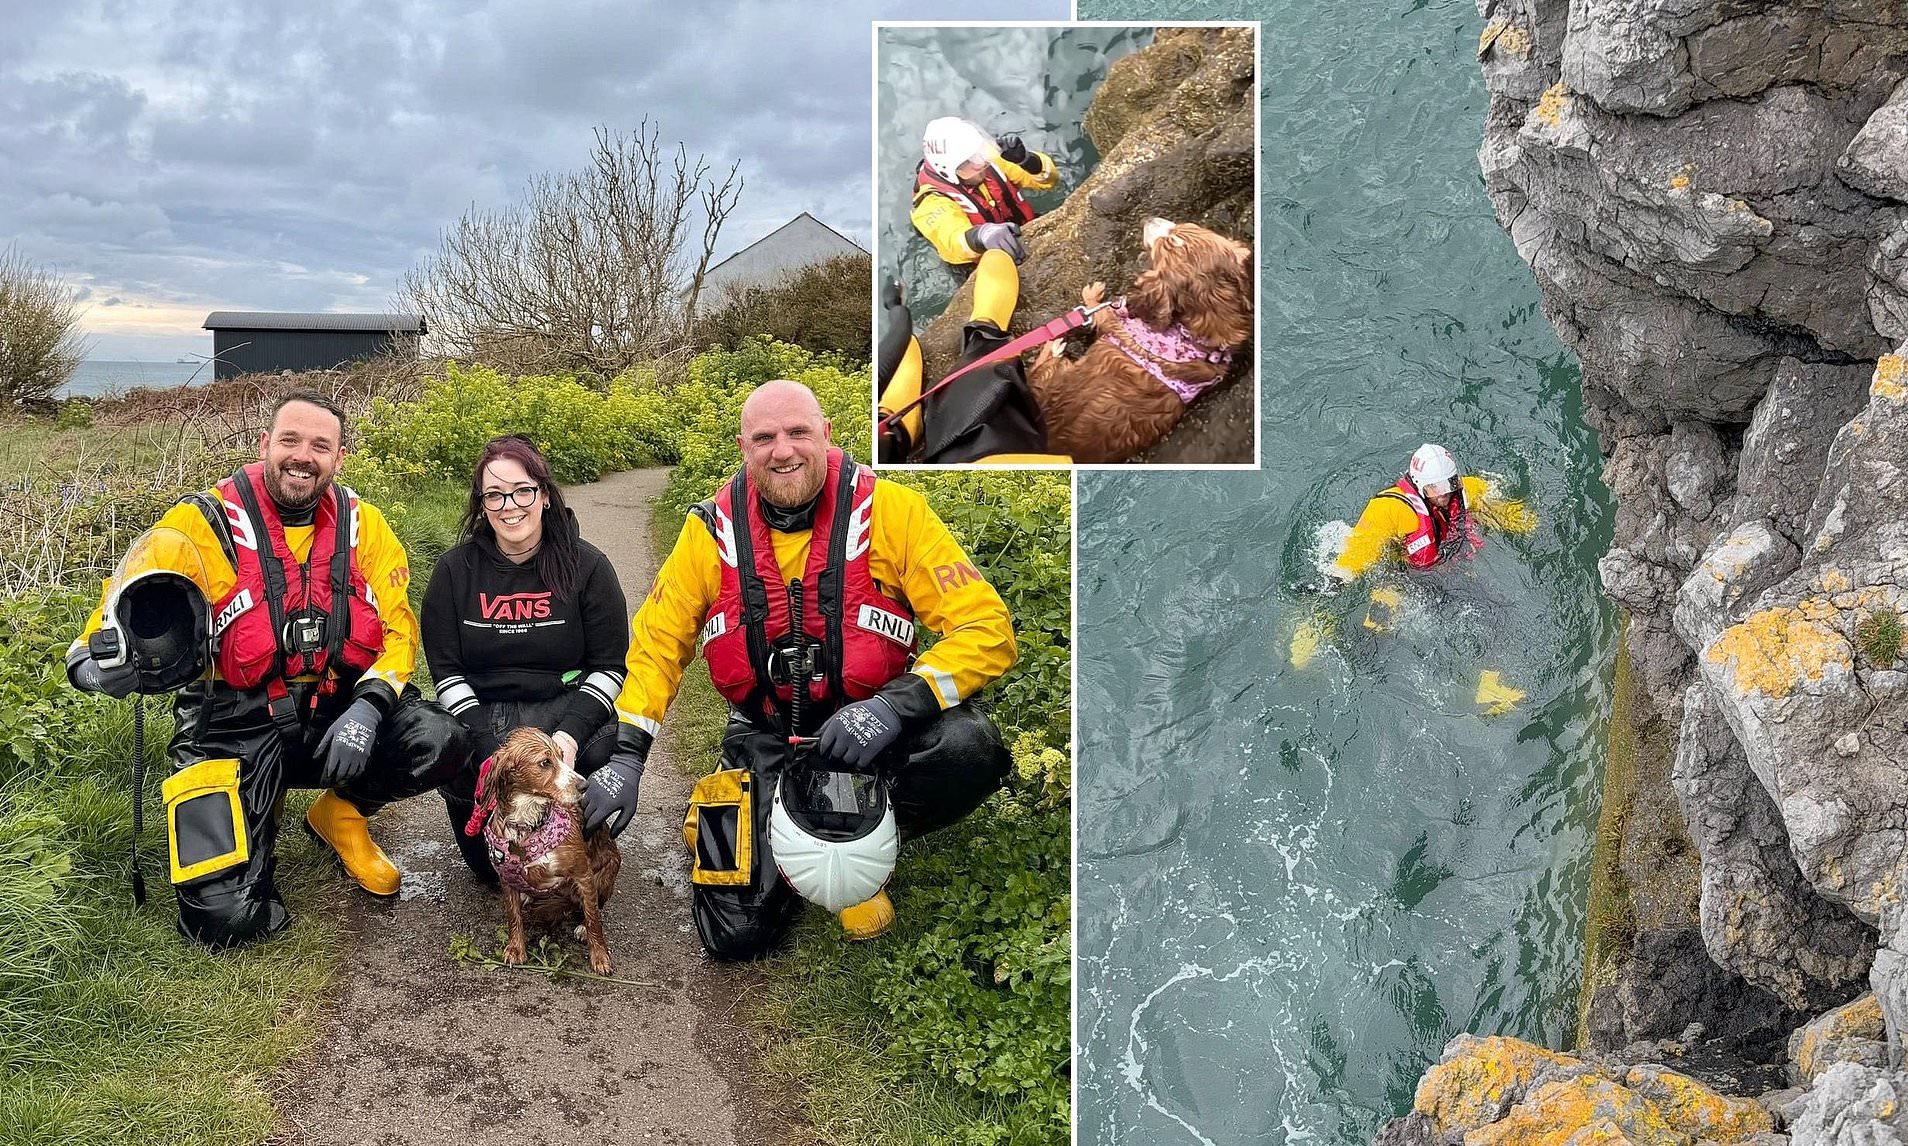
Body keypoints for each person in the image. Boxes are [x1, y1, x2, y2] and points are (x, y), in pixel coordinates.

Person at [583, 378, 1017, 959]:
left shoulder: (895, 512)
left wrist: (893, 706)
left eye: (797, 433)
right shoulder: (709, 531)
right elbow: (657, 645)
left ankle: (869, 837)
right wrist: (627, 757)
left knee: (971, 746)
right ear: (744, 448)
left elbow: (987, 629)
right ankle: (779, 836)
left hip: (869, 732)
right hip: (762, 734)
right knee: (733, 936)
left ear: (827, 436)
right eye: (764, 437)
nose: (782, 450)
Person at [66, 392, 469, 948]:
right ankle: (254, 818)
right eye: (290, 440)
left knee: (440, 739)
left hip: (335, 710)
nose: (303, 456)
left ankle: (340, 815)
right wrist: (94, 664)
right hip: (233, 721)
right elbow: (117, 619)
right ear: (265, 445)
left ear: (338, 457)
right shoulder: (198, 523)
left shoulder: (366, 526)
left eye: (320, 446)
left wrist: (368, 708)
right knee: (225, 924)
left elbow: (398, 633)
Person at [420, 435, 629, 883]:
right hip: (482, 710)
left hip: (560, 704)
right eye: (493, 494)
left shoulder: (589, 567)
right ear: (481, 504)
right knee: (488, 870)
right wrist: (486, 748)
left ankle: (573, 831)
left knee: (602, 741)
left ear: (546, 496)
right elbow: (446, 672)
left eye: (522, 491)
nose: (509, 505)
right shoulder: (453, 571)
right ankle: (476, 809)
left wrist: (568, 737)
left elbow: (610, 667)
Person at [876, 257, 1071, 464]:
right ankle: (985, 330)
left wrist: (969, 240)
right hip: (992, 452)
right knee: (985, 397)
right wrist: (969, 240)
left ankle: (894, 427)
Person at [1327, 443, 1535, 582]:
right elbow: (1361, 547)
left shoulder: (1466, 491)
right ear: (1419, 485)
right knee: (1379, 622)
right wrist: (1338, 579)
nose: (1444, 494)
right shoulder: (1390, 509)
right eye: (1435, 488)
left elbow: (1507, 513)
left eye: (1450, 484)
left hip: (1454, 567)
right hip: (1404, 575)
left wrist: (1534, 528)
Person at [912, 117, 1057, 276]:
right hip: (983, 262)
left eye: (978, 155)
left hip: (1021, 231)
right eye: (967, 164)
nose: (980, 165)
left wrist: (1028, 161)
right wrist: (982, 235)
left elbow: (1048, 181)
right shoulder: (930, 202)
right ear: (949, 170)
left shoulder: (984, 158)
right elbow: (954, 241)